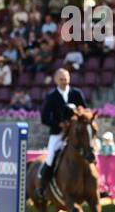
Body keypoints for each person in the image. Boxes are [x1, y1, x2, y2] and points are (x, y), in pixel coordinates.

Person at [35, 66, 88, 204]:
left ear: (69, 78)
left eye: (66, 78)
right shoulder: (51, 96)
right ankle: (42, 186)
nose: (64, 81)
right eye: (61, 79)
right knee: (51, 156)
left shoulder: (76, 93)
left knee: (90, 151)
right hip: (58, 133)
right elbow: (45, 117)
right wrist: (59, 124)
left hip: (76, 133)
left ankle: (98, 185)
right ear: (56, 80)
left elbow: (84, 110)